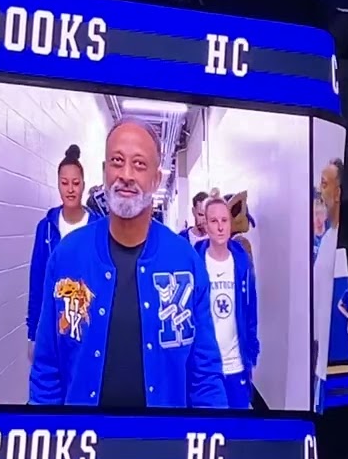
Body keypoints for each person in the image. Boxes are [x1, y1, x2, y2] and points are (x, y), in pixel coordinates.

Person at [28, 118, 228, 408]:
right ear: (104, 171)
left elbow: (205, 376)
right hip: (82, 446)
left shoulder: (185, 262)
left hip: (163, 447)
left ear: (156, 180)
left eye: (139, 164)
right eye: (117, 161)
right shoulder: (67, 257)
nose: (126, 174)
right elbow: (47, 370)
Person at [27, 144, 102, 362]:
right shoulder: (46, 228)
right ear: (58, 185)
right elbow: (37, 279)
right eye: (64, 183)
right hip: (56, 322)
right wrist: (33, 332)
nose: (70, 189)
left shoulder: (98, 227)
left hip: (91, 324)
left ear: (83, 186)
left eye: (76, 183)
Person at [193, 196, 260, 409]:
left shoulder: (242, 262)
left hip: (236, 364)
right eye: (214, 221)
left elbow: (251, 308)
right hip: (206, 367)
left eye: (224, 220)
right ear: (205, 224)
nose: (220, 227)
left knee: (238, 431)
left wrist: (252, 347)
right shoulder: (195, 262)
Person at [312, 158, 343, 413]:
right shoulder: (326, 240)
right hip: (319, 367)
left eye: (325, 184)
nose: (320, 191)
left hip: (336, 369)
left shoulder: (339, 242)